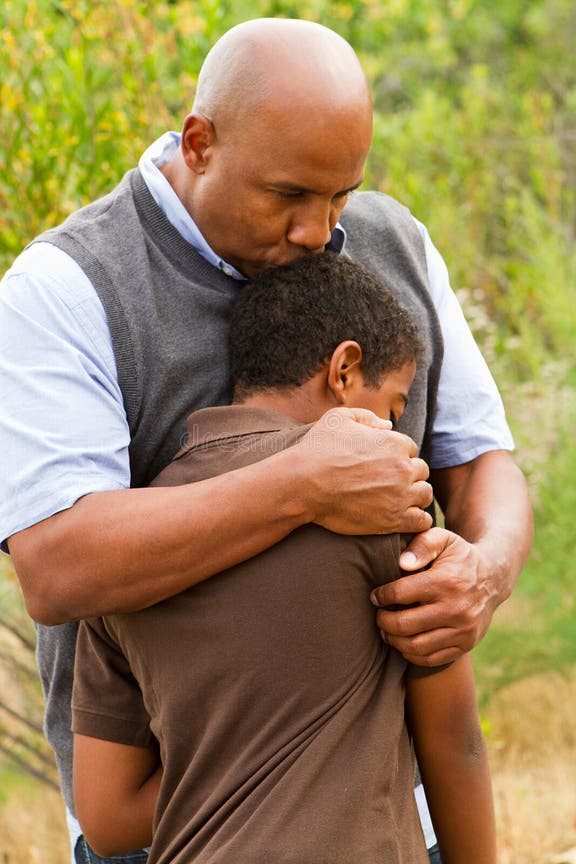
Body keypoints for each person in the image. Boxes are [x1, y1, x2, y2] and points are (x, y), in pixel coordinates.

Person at [0, 16, 531, 863]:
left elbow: (481, 463)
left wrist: (486, 572)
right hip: (164, 837)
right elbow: (58, 566)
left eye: (342, 195)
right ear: (200, 142)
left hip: (393, 826)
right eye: (288, 196)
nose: (320, 232)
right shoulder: (67, 290)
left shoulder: (398, 244)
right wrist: (304, 483)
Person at [72, 252, 497, 864]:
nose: (395, 432)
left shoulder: (123, 554)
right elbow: (454, 745)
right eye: (395, 409)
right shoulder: (382, 508)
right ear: (345, 371)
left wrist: (227, 762)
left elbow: (108, 822)